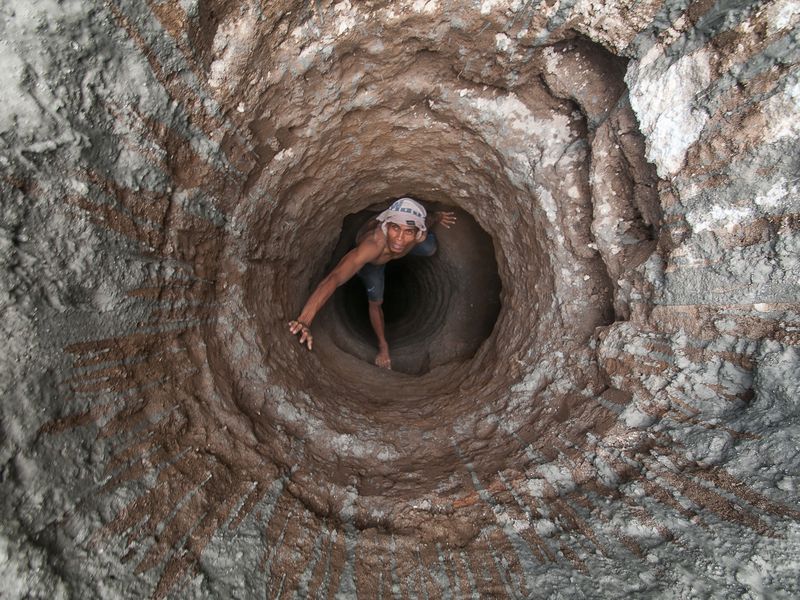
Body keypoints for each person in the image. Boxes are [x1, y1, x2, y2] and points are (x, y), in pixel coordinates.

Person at [288, 198, 456, 369]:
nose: (399, 238)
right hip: (373, 264)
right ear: (387, 226)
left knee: (430, 248)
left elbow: (428, 220)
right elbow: (334, 277)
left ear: (417, 234)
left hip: (410, 240)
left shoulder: (421, 234)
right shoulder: (372, 245)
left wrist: (438, 215)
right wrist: (305, 320)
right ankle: (383, 346)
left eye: (408, 231)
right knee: (376, 303)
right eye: (395, 228)